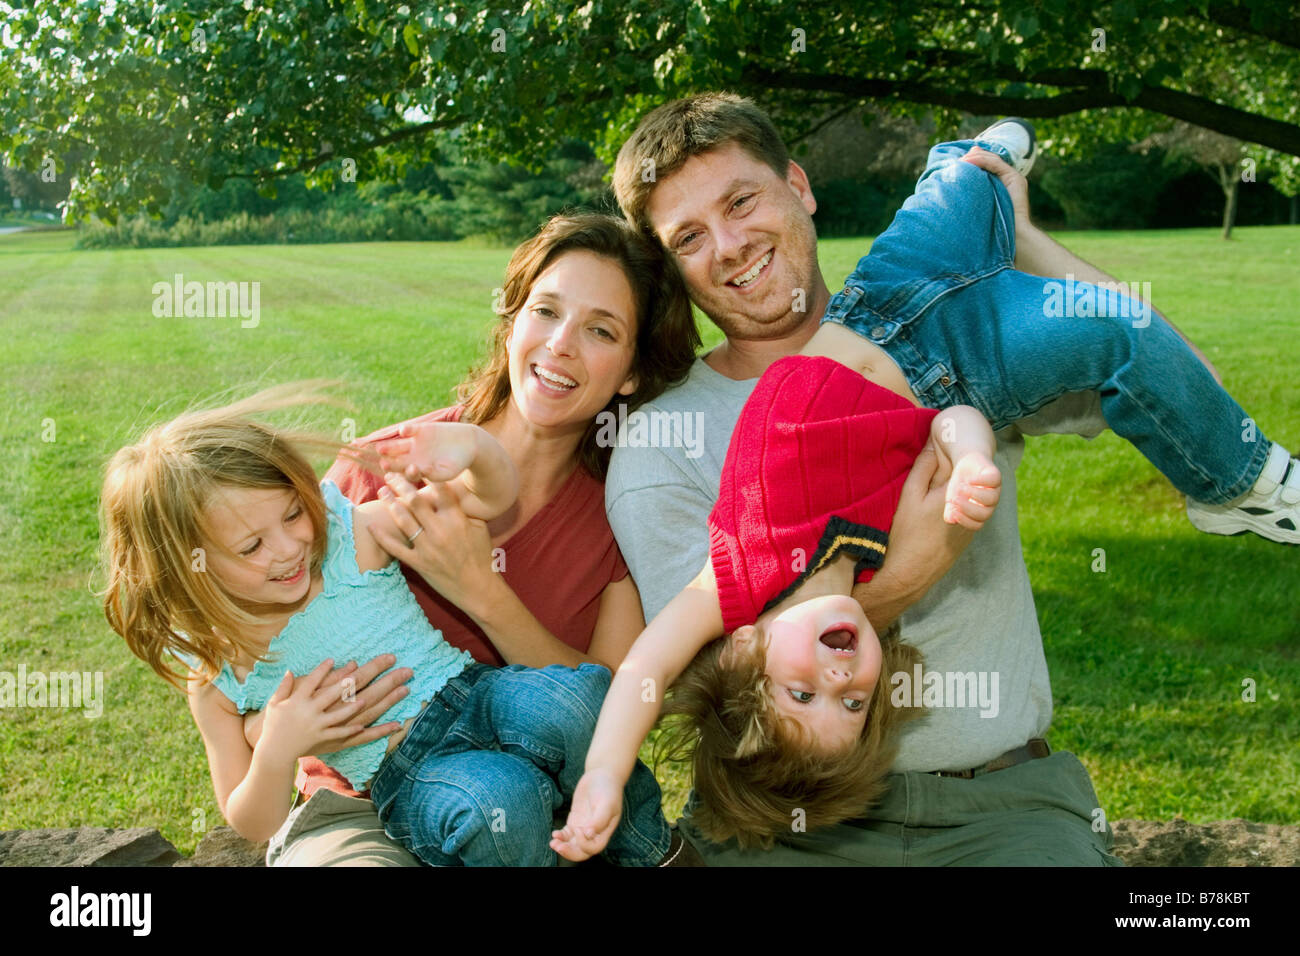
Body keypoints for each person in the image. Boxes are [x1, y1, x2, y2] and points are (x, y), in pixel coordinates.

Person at [599, 93, 1296, 865]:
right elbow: (702, 680)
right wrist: (906, 572)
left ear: (798, 185)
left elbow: (1186, 391)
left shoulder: (962, 344)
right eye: (689, 236)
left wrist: (1016, 243)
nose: (728, 246)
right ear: (669, 264)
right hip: (787, 819)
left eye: (742, 201)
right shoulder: (664, 440)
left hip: (1003, 804)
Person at [257, 213, 702, 866]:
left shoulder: (620, 515)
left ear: (632, 372)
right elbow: (269, 632)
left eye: (600, 330)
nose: (561, 345)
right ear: (513, 320)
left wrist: (480, 591)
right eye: (546, 311)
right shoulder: (385, 465)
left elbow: (609, 710)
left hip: (531, 817)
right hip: (361, 803)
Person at [100, 389, 674, 865]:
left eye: (294, 513)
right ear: (186, 568)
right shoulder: (220, 676)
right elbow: (251, 818)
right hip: (411, 772)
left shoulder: (352, 540)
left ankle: (648, 851)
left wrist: (474, 448)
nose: (289, 548)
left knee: (579, 699)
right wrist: (278, 748)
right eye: (251, 545)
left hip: (476, 695)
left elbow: (488, 498)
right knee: (502, 802)